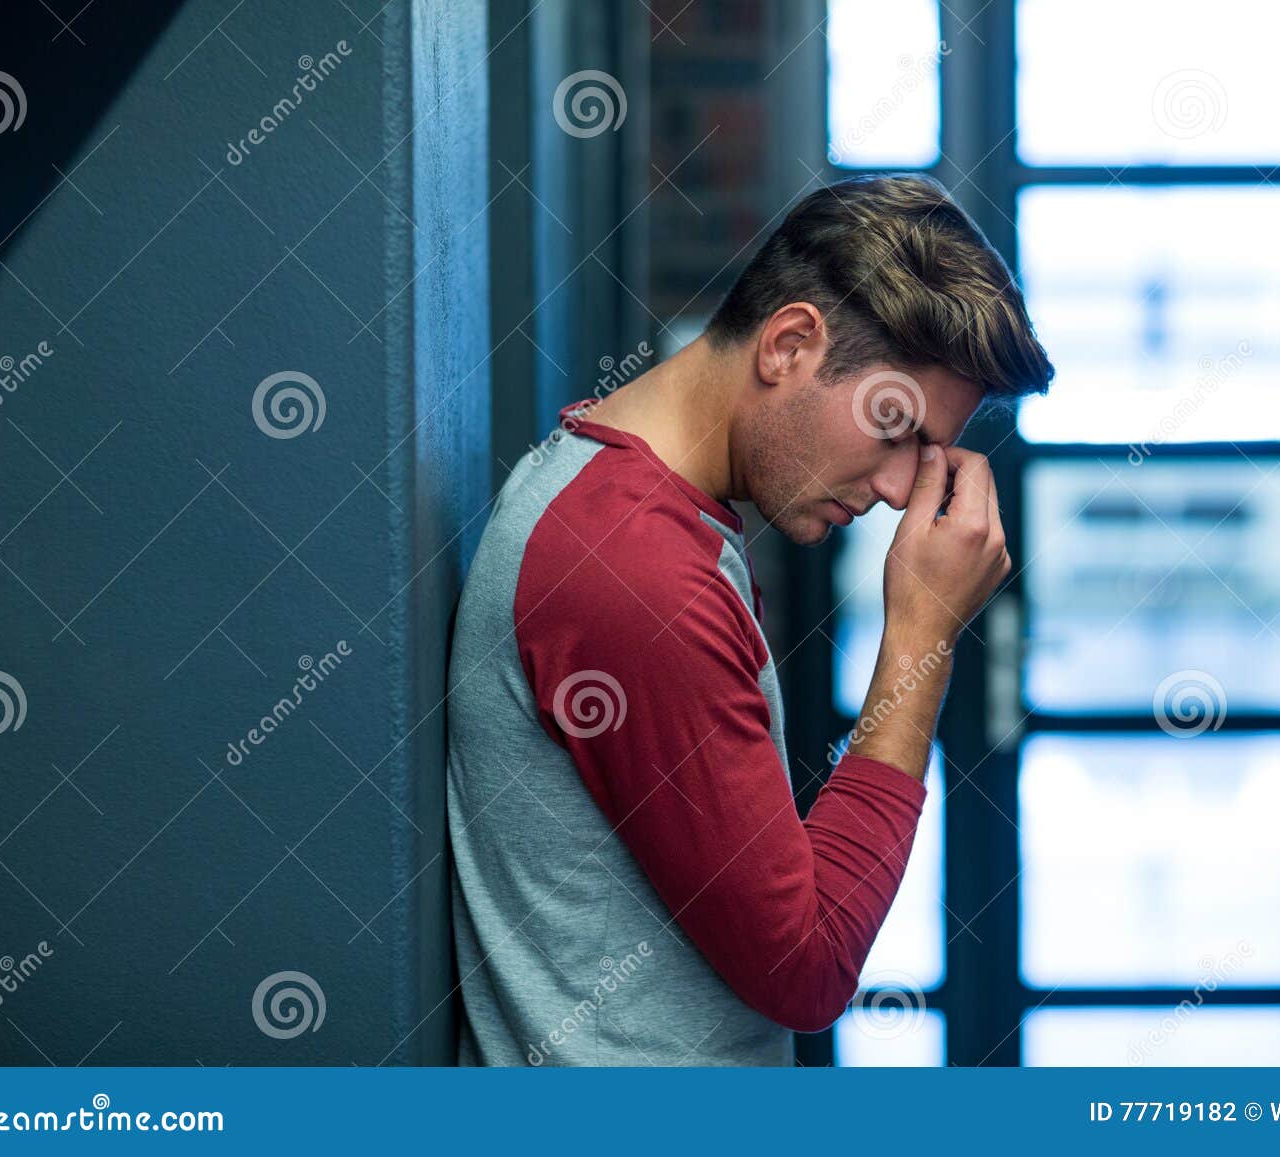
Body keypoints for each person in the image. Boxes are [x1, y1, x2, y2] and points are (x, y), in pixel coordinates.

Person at [446, 173, 1054, 1065]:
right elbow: (805, 971)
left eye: (923, 453)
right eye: (894, 428)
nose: (897, 490)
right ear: (791, 344)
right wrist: (922, 634)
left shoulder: (640, 505)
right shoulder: (635, 574)